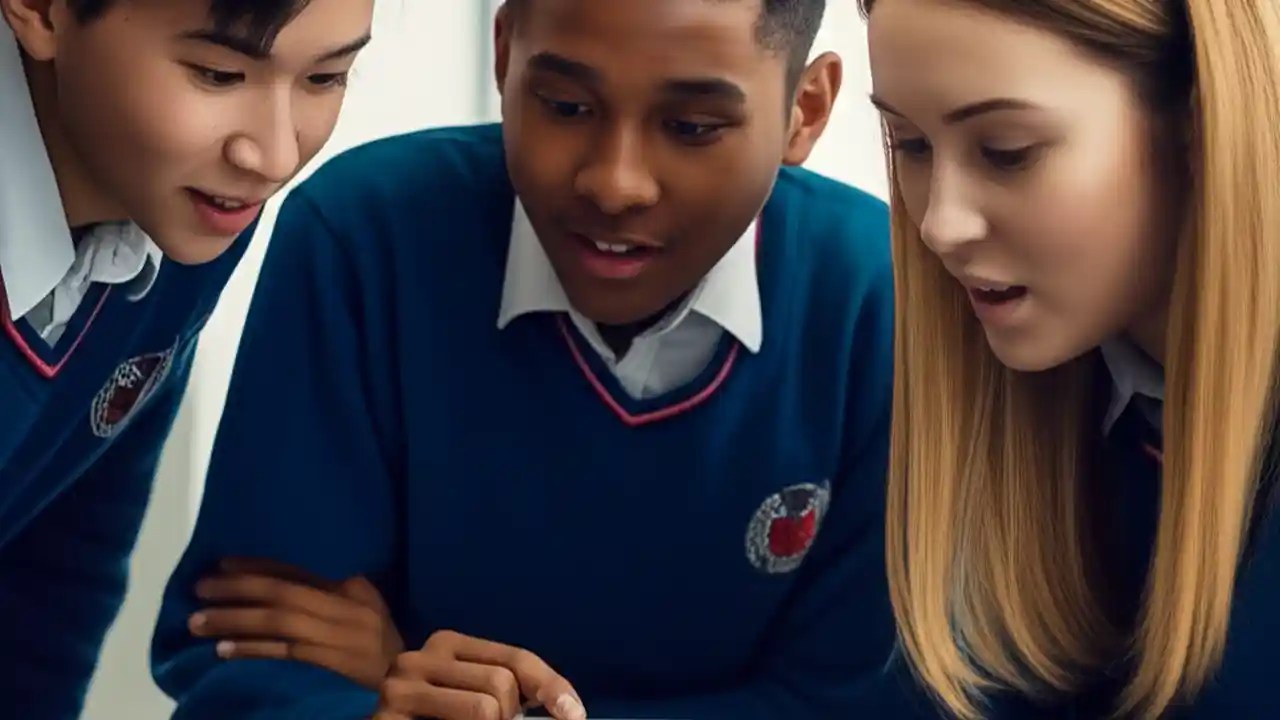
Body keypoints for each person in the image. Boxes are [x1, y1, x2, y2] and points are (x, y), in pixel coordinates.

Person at [151, 0, 904, 718]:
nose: (614, 183)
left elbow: (874, 708)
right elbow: (239, 665)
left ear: (805, 109)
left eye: (692, 127)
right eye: (566, 108)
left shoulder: (884, 304)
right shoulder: (365, 240)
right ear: (505, 54)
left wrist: (423, 688)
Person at [862, 0, 1280, 717]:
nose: (938, 226)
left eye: (1007, 151)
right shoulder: (999, 401)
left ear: (1199, 123)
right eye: (912, 145)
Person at [0, 0, 371, 716]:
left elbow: (61, 565)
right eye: (218, 74)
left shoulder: (186, 204)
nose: (275, 156)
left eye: (325, 77)